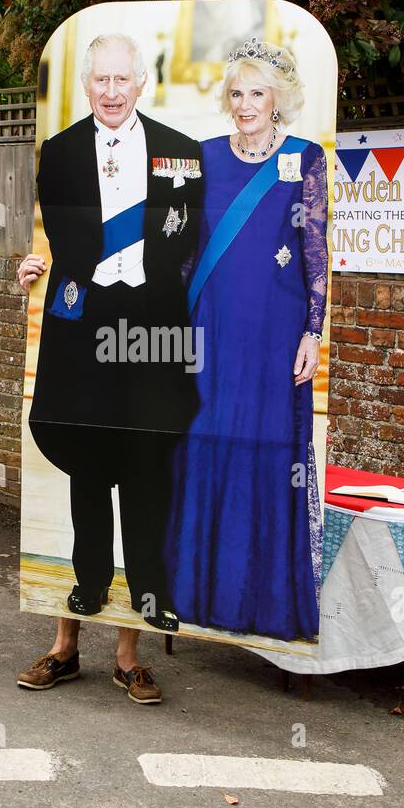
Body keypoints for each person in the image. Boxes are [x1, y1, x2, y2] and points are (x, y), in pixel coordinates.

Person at [16, 33, 201, 705]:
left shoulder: (183, 148)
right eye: (102, 80)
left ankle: (140, 626)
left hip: (151, 328)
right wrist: (41, 269)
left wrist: (140, 272)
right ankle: (79, 610)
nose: (113, 91)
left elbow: (186, 233)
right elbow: (63, 242)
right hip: (82, 328)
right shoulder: (58, 151)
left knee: (147, 458)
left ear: (143, 82)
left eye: (124, 79)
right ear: (88, 84)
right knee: (87, 456)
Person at [164, 38, 328, 642]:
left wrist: (315, 330)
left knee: (267, 446)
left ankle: (264, 601)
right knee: (204, 438)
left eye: (256, 92)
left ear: (279, 99)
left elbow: (315, 250)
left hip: (274, 331)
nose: (244, 104)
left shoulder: (305, 158)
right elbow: (179, 251)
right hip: (210, 326)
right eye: (236, 93)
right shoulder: (200, 157)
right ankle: (192, 591)